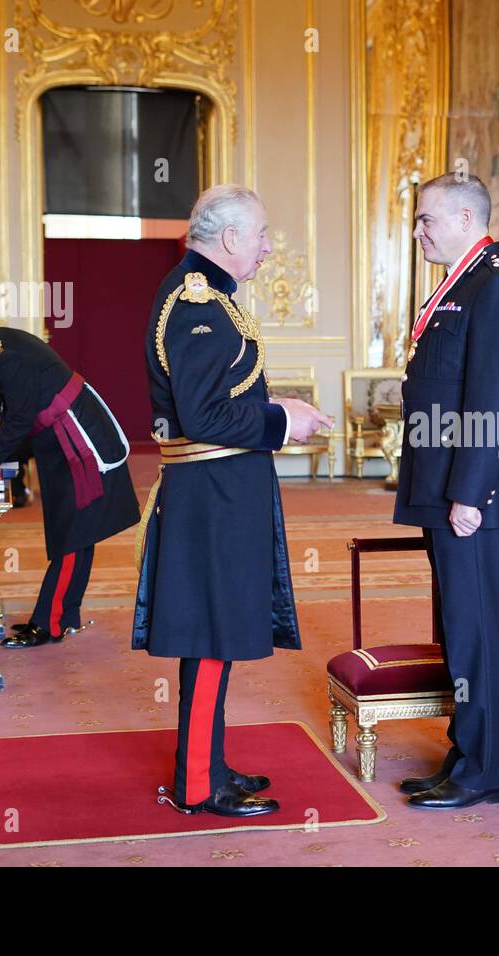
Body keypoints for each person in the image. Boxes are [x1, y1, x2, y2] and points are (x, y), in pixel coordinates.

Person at [133, 185, 332, 818]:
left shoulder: (210, 296)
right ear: (229, 239)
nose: (269, 248)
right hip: (212, 499)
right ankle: (196, 785)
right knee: (212, 634)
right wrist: (283, 421)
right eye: (262, 235)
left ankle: (208, 764)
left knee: (215, 633)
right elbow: (204, 413)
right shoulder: (199, 304)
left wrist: (281, 413)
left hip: (221, 494)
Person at [394, 173, 499, 810]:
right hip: (443, 481)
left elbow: (495, 399)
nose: (419, 231)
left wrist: (469, 495)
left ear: (462, 216)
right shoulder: (462, 281)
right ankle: (463, 751)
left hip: (471, 493)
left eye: (426, 219)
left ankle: (486, 771)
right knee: (457, 628)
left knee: (477, 629)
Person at [0, 310, 140, 648]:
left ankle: (50, 623)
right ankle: (62, 616)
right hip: (65, 443)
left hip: (79, 445)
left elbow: (19, 421)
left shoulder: (6, 355)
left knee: (74, 535)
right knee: (74, 533)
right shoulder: (0, 350)